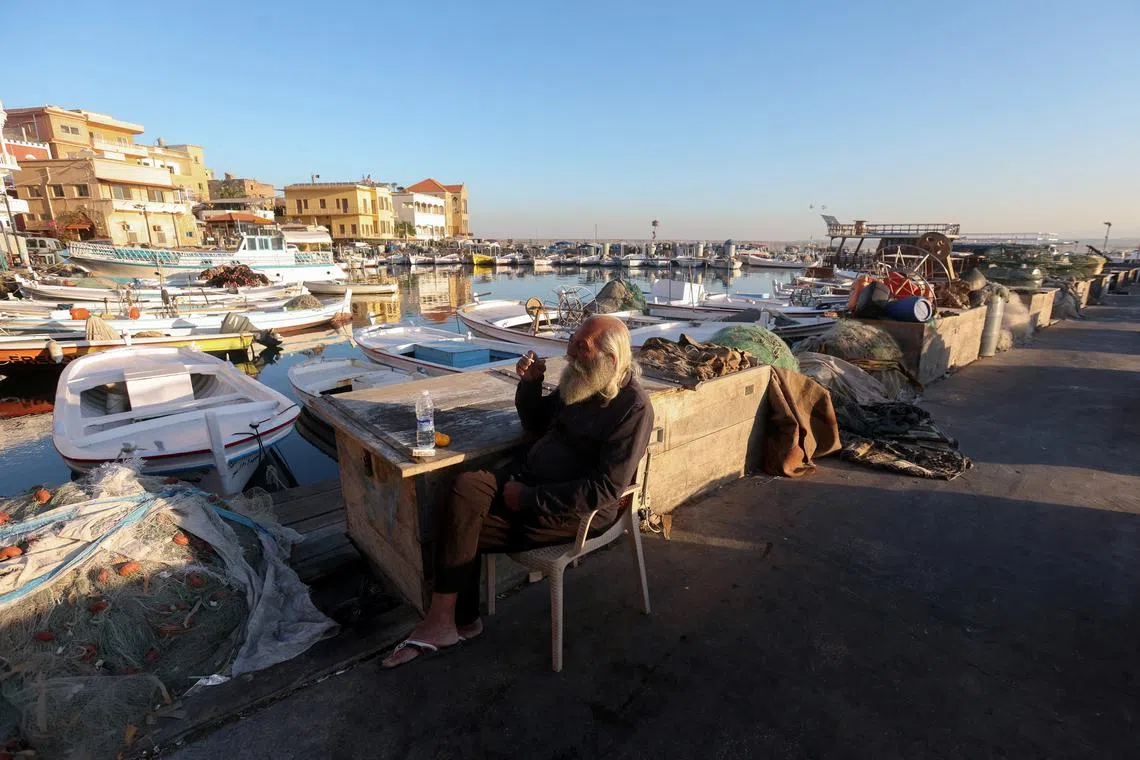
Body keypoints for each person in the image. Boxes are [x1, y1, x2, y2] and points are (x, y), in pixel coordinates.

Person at [383, 314, 654, 668]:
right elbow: (536, 421)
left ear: (611, 359)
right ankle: (453, 621)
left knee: (462, 525)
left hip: (574, 513)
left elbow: (604, 489)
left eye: (580, 347)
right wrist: (529, 383)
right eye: (571, 340)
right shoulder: (584, 378)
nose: (569, 353)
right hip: (529, 480)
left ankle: (449, 622)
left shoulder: (633, 408)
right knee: (463, 488)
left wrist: (528, 499)